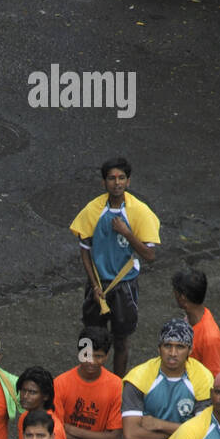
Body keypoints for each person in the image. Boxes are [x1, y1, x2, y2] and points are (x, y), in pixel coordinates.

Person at [71, 157, 160, 377]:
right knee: (90, 336)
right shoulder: (93, 210)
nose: (117, 183)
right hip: (99, 285)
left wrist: (127, 233)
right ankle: (87, 379)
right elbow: (85, 250)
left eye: (121, 178)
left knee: (121, 340)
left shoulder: (139, 212)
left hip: (125, 286)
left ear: (128, 181)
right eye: (111, 178)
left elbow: (150, 255)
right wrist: (94, 286)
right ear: (104, 183)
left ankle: (117, 385)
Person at [55, 327, 123, 439]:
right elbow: (56, 437)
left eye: (98, 356)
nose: (91, 362)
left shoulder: (116, 386)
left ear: (107, 356)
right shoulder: (60, 384)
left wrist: (71, 429)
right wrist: (99, 438)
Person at [172, 267, 220, 378]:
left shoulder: (210, 338)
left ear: (182, 298)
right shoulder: (190, 319)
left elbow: (213, 379)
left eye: (175, 292)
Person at [14, 366, 67, 439]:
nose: (25, 396)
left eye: (32, 392)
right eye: (23, 390)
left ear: (46, 396)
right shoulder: (24, 417)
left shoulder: (54, 429)